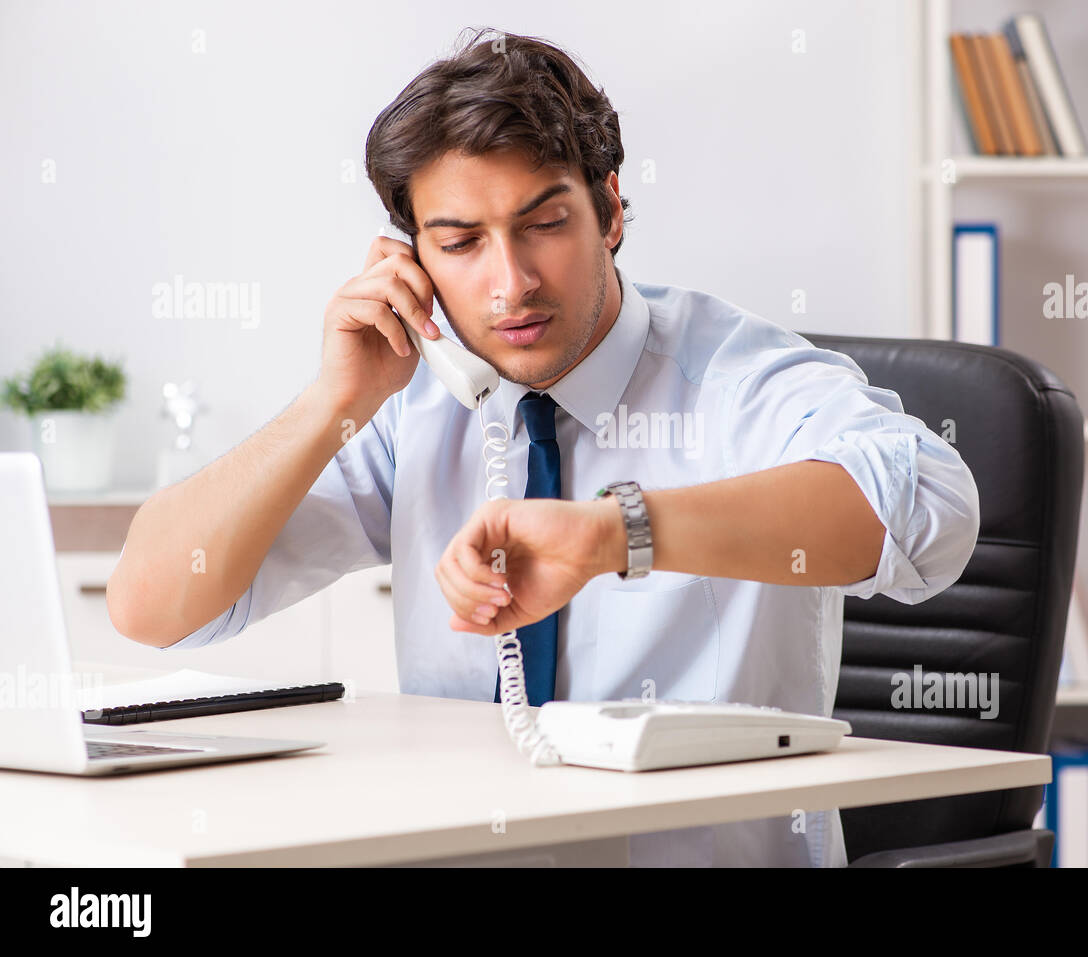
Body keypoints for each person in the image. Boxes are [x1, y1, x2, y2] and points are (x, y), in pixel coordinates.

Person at [107, 26, 980, 867]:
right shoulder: (415, 399)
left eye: (544, 224)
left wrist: (614, 534)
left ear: (610, 212)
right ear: (412, 260)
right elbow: (151, 604)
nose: (511, 282)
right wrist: (333, 398)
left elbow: (933, 511)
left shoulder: (734, 378)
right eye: (459, 243)